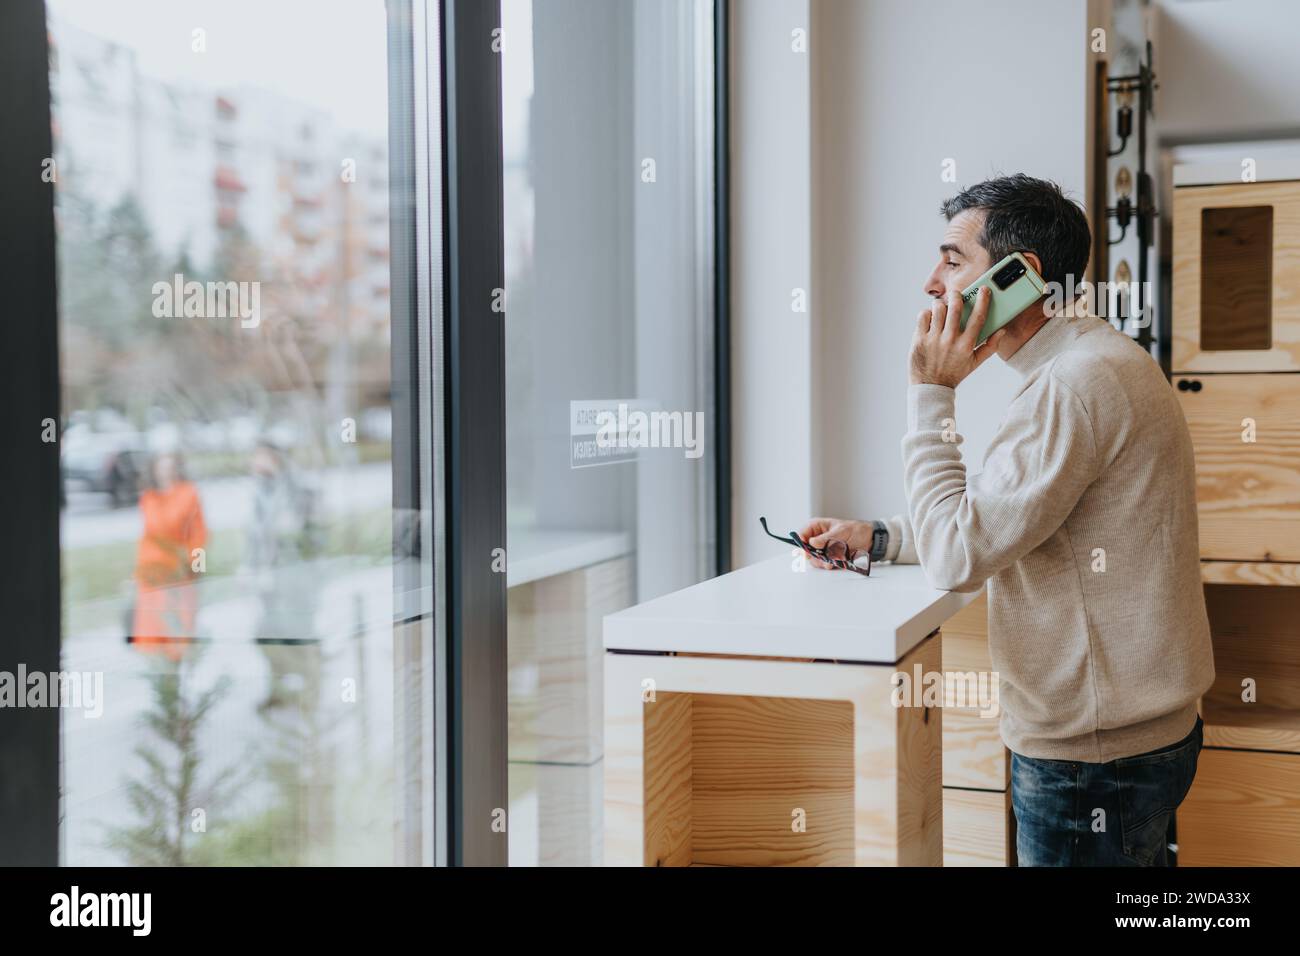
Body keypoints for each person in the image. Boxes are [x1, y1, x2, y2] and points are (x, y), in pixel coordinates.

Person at [801, 174, 1214, 867]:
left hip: (1094, 758)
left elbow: (957, 557)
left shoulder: (1072, 385)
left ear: (1020, 277)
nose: (933, 282)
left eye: (953, 260)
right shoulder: (1095, 360)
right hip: (1133, 741)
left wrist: (930, 395)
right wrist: (881, 538)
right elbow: (1016, 517)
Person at [130, 452, 206, 660]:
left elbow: (199, 536)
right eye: (161, 467)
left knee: (178, 637)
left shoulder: (189, 494)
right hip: (152, 576)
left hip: (178, 577)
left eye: (170, 467)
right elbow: (147, 536)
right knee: (152, 640)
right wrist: (137, 574)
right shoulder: (148, 497)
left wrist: (197, 570)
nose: (166, 472)